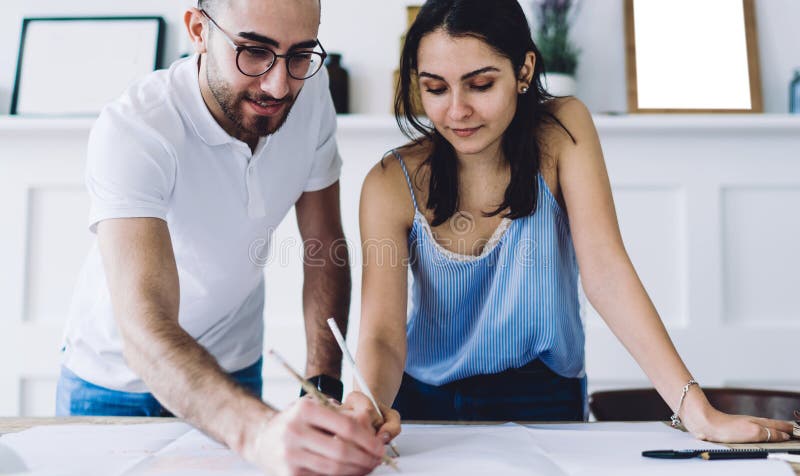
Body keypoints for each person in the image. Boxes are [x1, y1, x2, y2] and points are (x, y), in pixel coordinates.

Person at [348, 0, 793, 443]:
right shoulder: (389, 182)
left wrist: (697, 412)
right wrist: (367, 404)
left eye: (480, 84)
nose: (457, 110)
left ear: (524, 71)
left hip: (544, 394)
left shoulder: (562, 130)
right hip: (424, 401)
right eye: (436, 89)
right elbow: (384, 335)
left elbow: (606, 274)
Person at [56, 0, 387, 474]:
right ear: (198, 30)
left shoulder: (310, 94)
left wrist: (323, 388)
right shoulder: (136, 128)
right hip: (114, 384)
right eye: (254, 51)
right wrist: (257, 432)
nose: (278, 85)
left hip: (232, 369)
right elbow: (145, 326)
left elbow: (322, 248)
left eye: (300, 55)